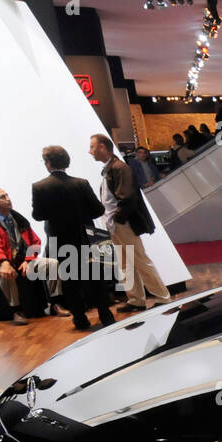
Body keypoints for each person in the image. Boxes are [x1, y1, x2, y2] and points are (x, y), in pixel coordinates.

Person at [32, 144, 111, 331]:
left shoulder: (39, 187)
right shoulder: (81, 183)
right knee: (95, 278)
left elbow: (38, 215)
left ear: (48, 163)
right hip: (85, 238)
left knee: (70, 282)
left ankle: (80, 319)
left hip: (60, 241)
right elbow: (98, 209)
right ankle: (105, 315)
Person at [89, 134, 170, 314]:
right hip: (116, 225)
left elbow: (127, 198)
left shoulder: (119, 168)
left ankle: (163, 298)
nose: (90, 151)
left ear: (102, 147)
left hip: (122, 224)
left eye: (92, 147)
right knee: (126, 263)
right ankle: (136, 299)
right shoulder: (112, 168)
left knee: (140, 260)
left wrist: (117, 220)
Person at [0, 187, 54, 326]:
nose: (8, 198)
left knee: (52, 264)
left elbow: (35, 242)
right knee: (6, 273)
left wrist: (28, 260)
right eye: (3, 197)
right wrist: (4, 262)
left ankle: (55, 303)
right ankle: (16, 311)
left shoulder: (18, 218)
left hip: (22, 260)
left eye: (7, 195)